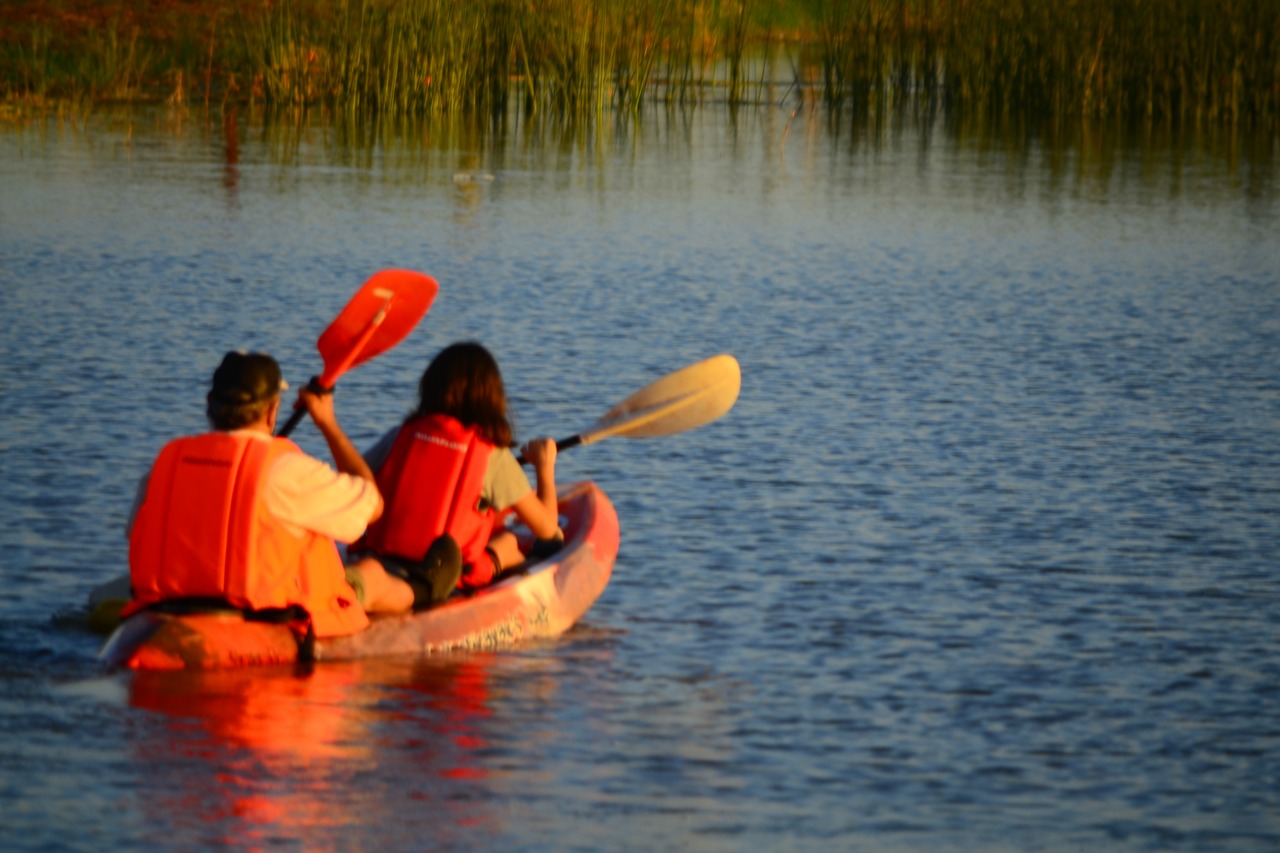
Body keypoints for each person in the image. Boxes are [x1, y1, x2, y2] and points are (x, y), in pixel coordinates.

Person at [123, 351, 383, 638]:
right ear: (272, 411)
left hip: (161, 613)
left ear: (210, 405)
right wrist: (328, 424)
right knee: (372, 574)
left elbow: (134, 532)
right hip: (261, 624)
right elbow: (373, 507)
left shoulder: (165, 464)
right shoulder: (287, 471)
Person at [348, 342, 561, 613]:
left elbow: (352, 479)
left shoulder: (401, 435)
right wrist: (544, 466)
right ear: (491, 397)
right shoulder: (491, 455)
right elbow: (546, 526)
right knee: (512, 543)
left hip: (378, 558)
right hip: (443, 576)